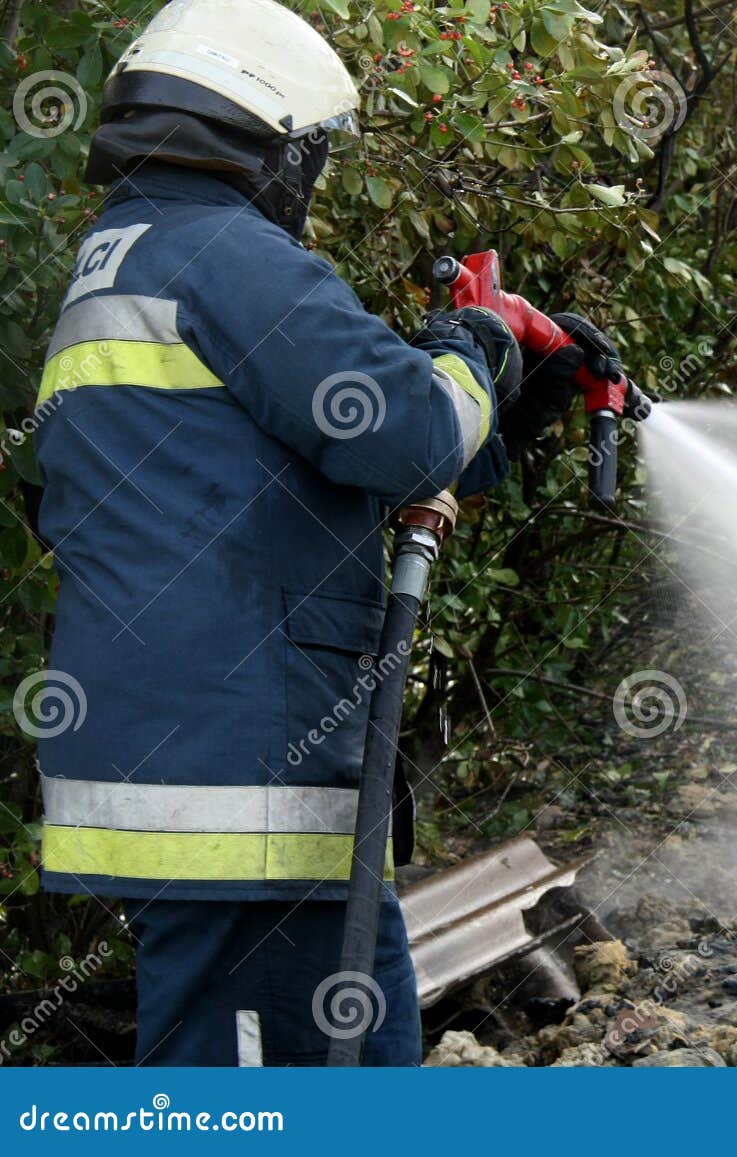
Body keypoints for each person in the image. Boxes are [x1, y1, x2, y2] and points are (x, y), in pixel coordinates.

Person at [27, 0, 621, 1066]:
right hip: (235, 790)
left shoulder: (130, 259)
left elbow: (364, 459)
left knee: (361, 1058)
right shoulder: (222, 255)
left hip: (225, 780)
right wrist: (477, 338)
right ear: (264, 134)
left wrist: (515, 387)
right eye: (310, 155)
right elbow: (410, 427)